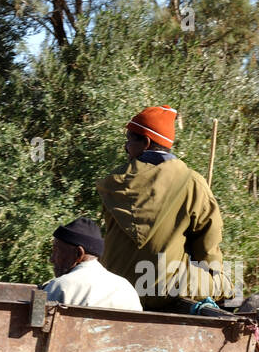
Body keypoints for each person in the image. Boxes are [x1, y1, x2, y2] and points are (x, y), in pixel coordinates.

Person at [98, 105, 233, 313]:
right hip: (163, 288)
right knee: (229, 283)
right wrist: (214, 280)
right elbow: (208, 246)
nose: (126, 147)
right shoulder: (192, 182)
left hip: (113, 286)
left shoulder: (114, 182)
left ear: (147, 142)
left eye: (129, 140)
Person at [40, 217, 142, 311]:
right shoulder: (126, 288)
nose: (52, 259)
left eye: (57, 251)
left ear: (79, 253)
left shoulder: (60, 287)